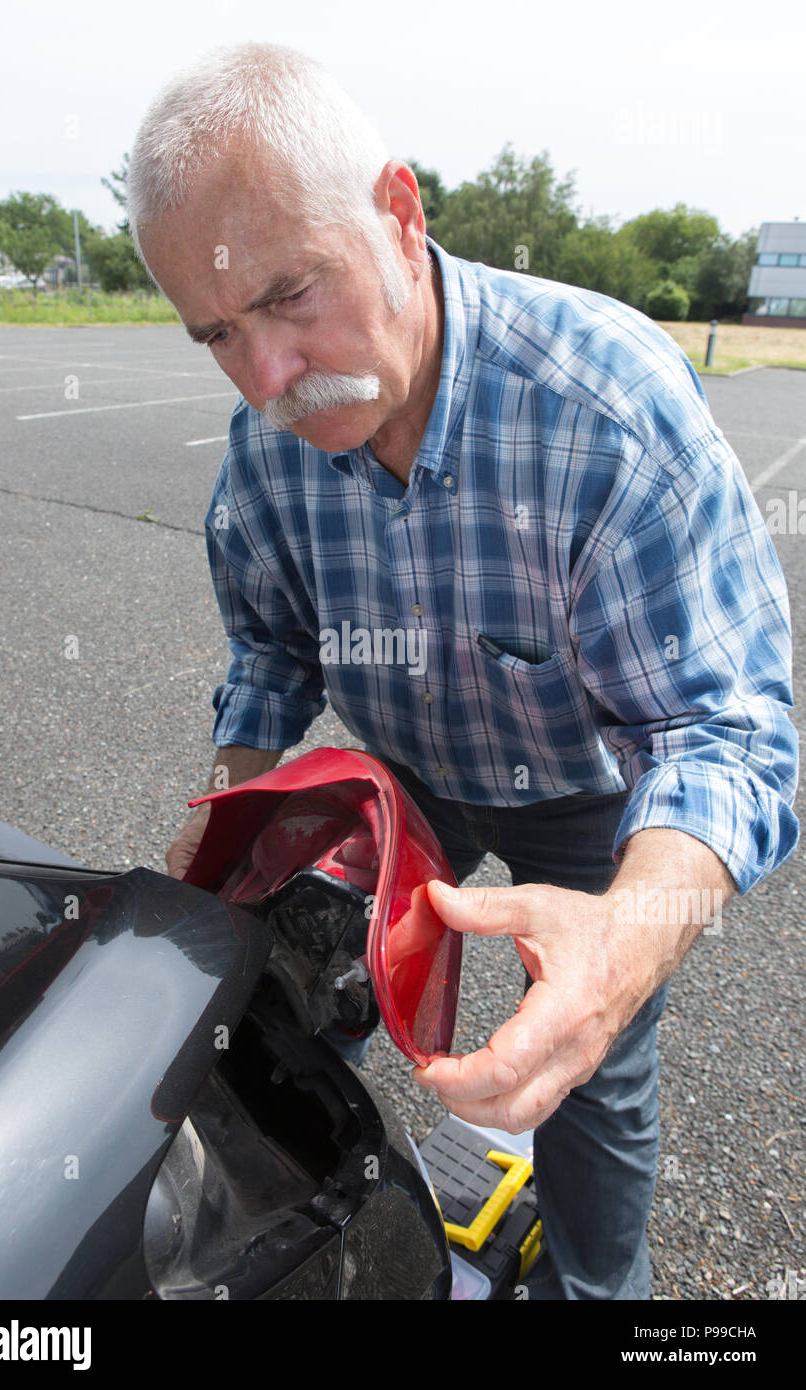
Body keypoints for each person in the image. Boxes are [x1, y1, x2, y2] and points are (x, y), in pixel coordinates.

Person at [126, 42, 798, 1299]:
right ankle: (306, 1219)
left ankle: (602, 1292)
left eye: (289, 295)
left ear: (397, 209)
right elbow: (270, 646)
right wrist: (230, 826)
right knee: (271, 965)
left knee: (590, 1059)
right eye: (218, 332)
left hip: (586, 786)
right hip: (401, 775)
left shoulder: (604, 411)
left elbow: (727, 730)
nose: (267, 376)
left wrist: (615, 946)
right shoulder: (268, 443)